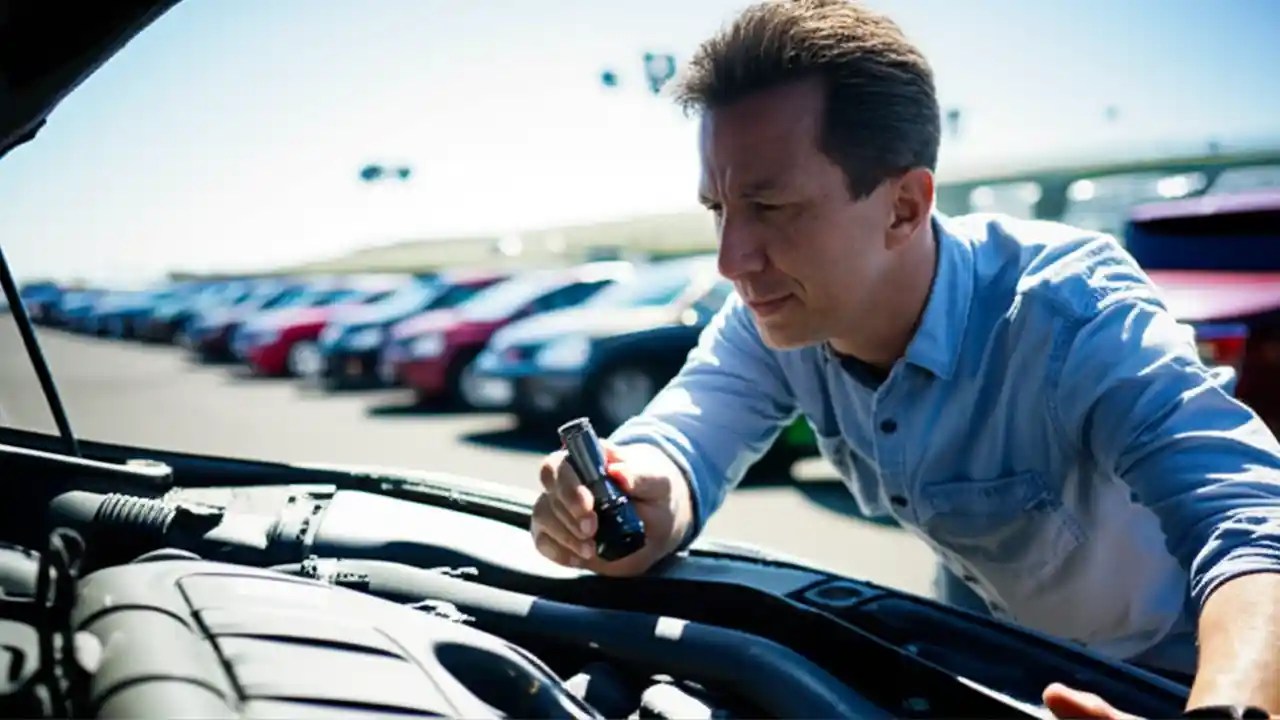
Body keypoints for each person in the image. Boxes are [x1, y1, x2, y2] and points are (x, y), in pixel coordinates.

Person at [529, 1, 1280, 716]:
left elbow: (1250, 515)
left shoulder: (1068, 310)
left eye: (772, 207)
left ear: (904, 207)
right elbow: (685, 437)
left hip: (1180, 681)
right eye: (720, 210)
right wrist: (628, 501)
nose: (730, 260)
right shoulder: (776, 316)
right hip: (993, 663)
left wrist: (1228, 706)